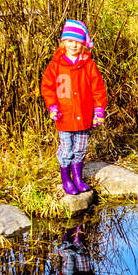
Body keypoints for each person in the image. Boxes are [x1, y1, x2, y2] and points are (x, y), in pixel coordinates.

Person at [40, 19, 107, 194]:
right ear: (63, 42)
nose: (73, 45)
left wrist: (99, 109)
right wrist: (52, 106)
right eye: (69, 41)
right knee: (66, 149)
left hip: (85, 115)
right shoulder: (56, 65)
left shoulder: (88, 65)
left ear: (84, 44)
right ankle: (66, 179)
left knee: (80, 148)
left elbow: (98, 88)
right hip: (64, 115)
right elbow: (47, 87)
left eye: (77, 42)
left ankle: (77, 177)